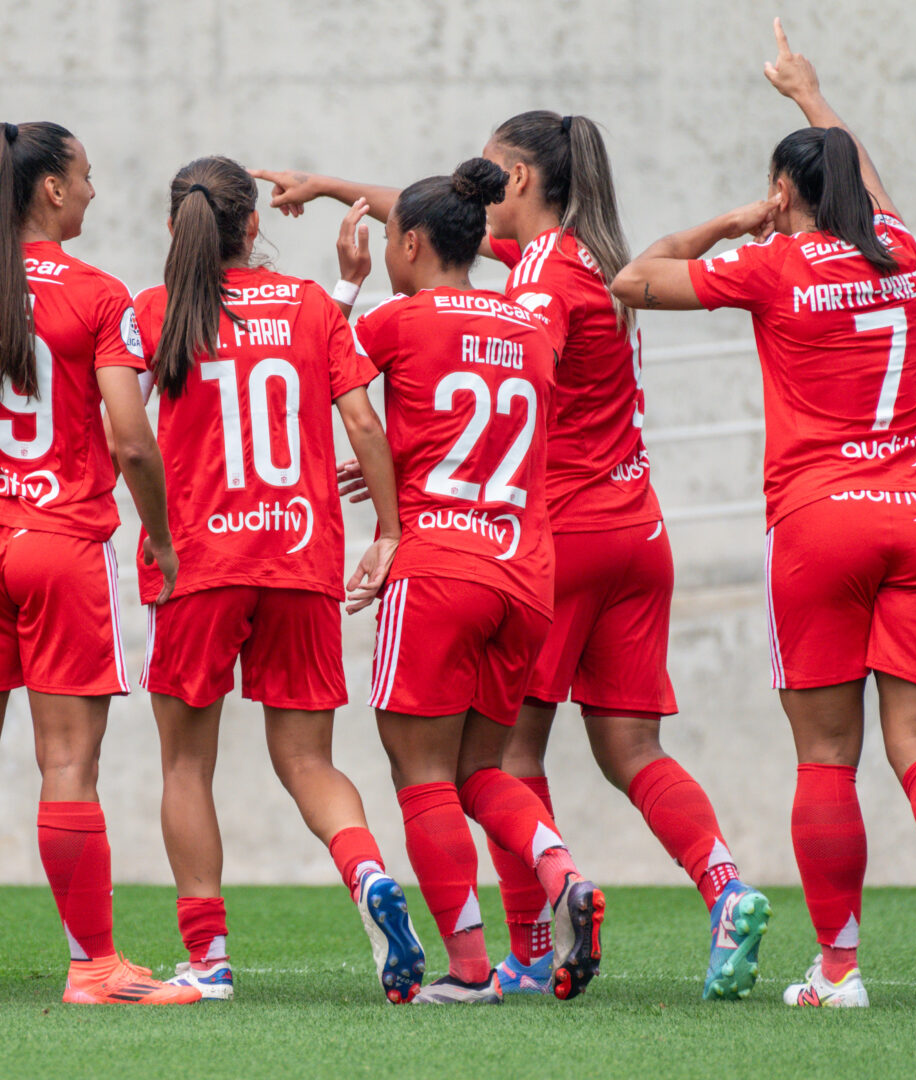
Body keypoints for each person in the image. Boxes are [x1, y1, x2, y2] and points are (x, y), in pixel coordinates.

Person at [254, 113, 766, 1001]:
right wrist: (339, 187)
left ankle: (527, 945)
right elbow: (451, 234)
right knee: (631, 747)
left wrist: (403, 465)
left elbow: (466, 358)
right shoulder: (594, 259)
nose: (478, 190)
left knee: (498, 761)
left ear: (520, 180)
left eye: (488, 173)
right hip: (640, 532)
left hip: (544, 535)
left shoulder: (534, 285)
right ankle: (726, 889)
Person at [611, 20, 916, 1012]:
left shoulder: (773, 267)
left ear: (788, 193)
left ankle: (839, 968)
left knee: (827, 755)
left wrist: (747, 218)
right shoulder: (901, 249)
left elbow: (634, 276)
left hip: (825, 524)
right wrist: (811, 95)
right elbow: (865, 181)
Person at [0, 120, 197, 1006]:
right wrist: (159, 534)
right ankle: (94, 968)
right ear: (52, 190)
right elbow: (133, 440)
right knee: (68, 764)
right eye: (88, 176)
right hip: (62, 542)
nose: (96, 192)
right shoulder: (99, 295)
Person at [132, 156, 423, 1003]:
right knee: (307, 760)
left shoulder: (155, 312)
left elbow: (125, 430)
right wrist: (392, 530)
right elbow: (363, 419)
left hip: (196, 561)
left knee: (187, 766)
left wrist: (150, 530)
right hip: (299, 557)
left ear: (176, 227)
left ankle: (209, 961)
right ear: (253, 226)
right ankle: (367, 874)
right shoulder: (308, 304)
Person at [347, 158, 597, 1005]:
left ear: (412, 243)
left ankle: (464, 967)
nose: (384, 253)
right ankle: (560, 871)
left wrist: (347, 290)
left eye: (386, 241)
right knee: (483, 772)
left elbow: (330, 382)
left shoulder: (397, 318)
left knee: (420, 775)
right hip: (524, 576)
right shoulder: (532, 328)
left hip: (437, 569)